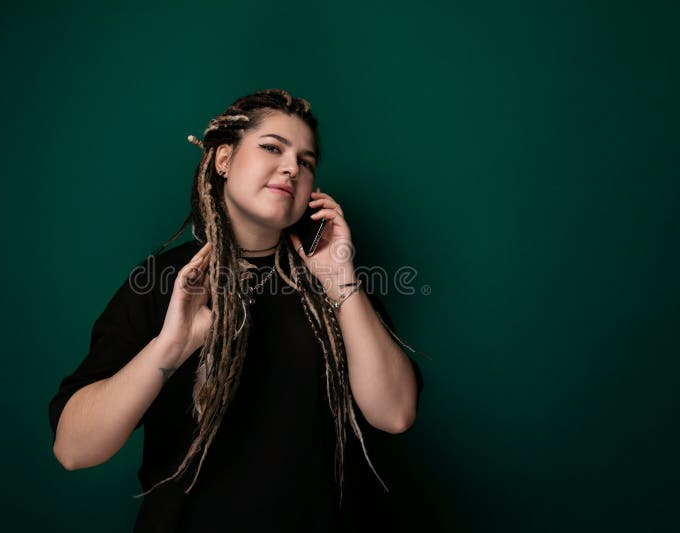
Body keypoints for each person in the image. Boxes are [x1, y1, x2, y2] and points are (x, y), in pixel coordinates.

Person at [48, 88, 425, 532]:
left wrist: (341, 278)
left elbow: (396, 413)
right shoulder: (166, 281)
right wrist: (171, 348)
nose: (291, 167)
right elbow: (73, 450)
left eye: (306, 162)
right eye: (272, 148)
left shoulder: (335, 285)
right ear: (223, 160)